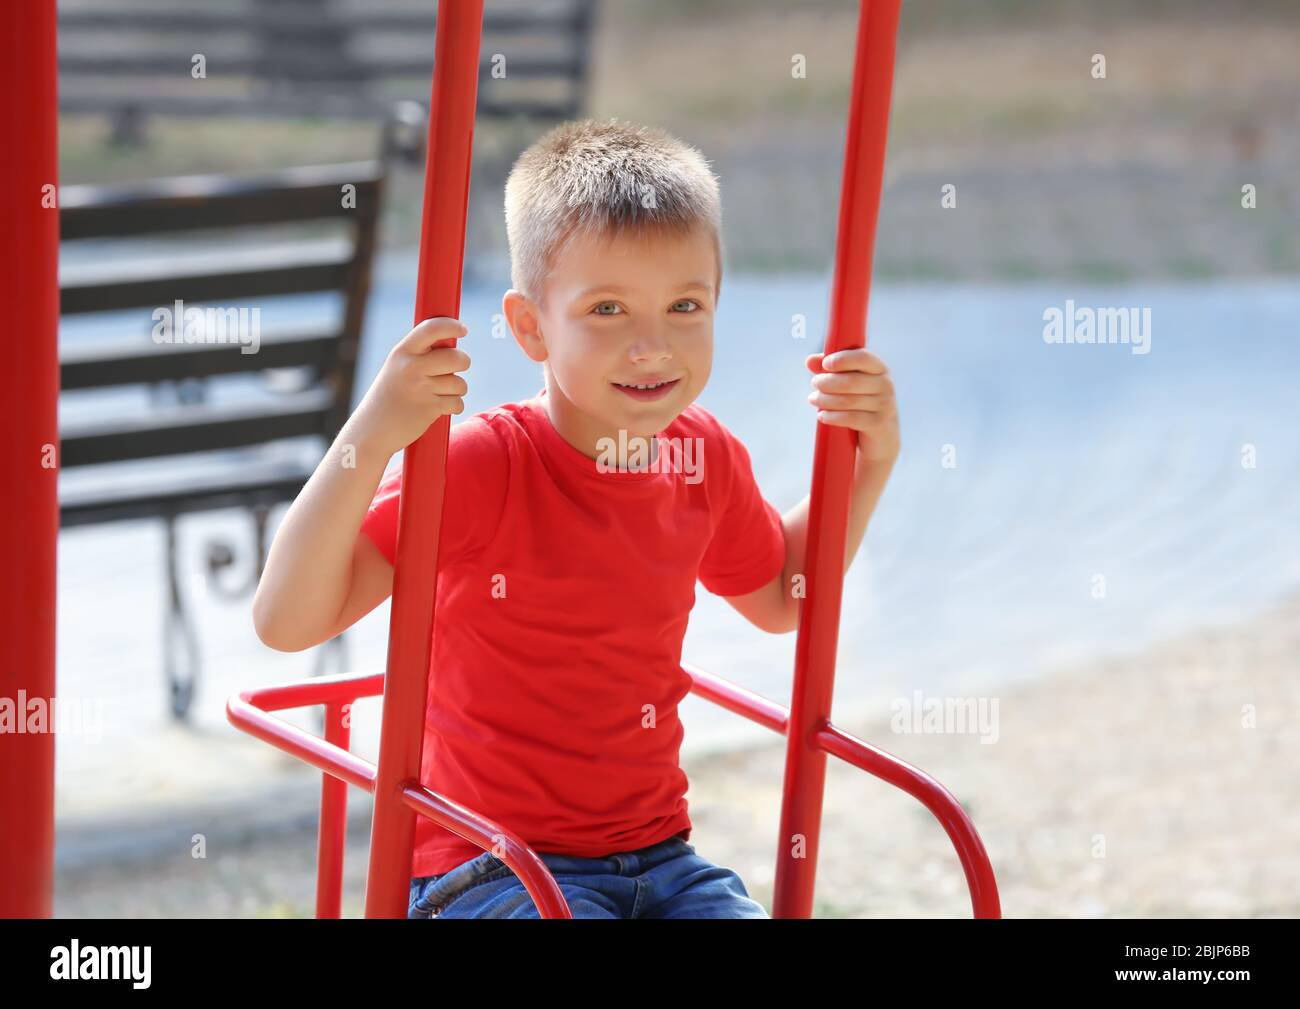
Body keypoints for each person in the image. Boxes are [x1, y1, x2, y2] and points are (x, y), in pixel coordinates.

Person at [252, 118, 900, 918]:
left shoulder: (704, 457)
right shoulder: (483, 464)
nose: (652, 346)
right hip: (490, 865)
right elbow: (286, 620)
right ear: (530, 327)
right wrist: (376, 430)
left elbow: (782, 594)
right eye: (607, 310)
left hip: (664, 861)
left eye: (685, 305)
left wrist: (866, 466)